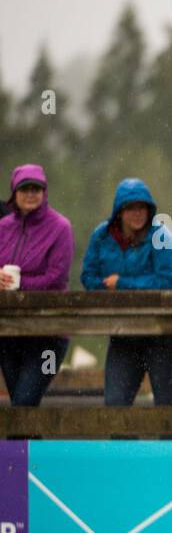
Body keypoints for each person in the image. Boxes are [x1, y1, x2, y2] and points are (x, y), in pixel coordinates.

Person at [81, 178, 172, 406]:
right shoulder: (101, 236)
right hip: (124, 335)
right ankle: (126, 444)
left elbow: (168, 281)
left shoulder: (162, 236)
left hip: (164, 334)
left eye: (142, 207)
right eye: (130, 207)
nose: (137, 213)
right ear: (119, 211)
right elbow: (88, 276)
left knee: (167, 413)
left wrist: (122, 284)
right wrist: (103, 287)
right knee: (115, 406)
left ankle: (169, 443)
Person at [0, 164, 74, 406]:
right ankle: (29, 444)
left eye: (36, 188)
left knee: (24, 403)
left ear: (44, 192)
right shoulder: (3, 227)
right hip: (9, 333)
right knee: (22, 407)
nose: (30, 194)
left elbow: (57, 277)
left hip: (51, 337)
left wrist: (19, 284)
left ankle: (25, 444)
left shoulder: (61, 227)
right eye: (24, 188)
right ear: (14, 192)